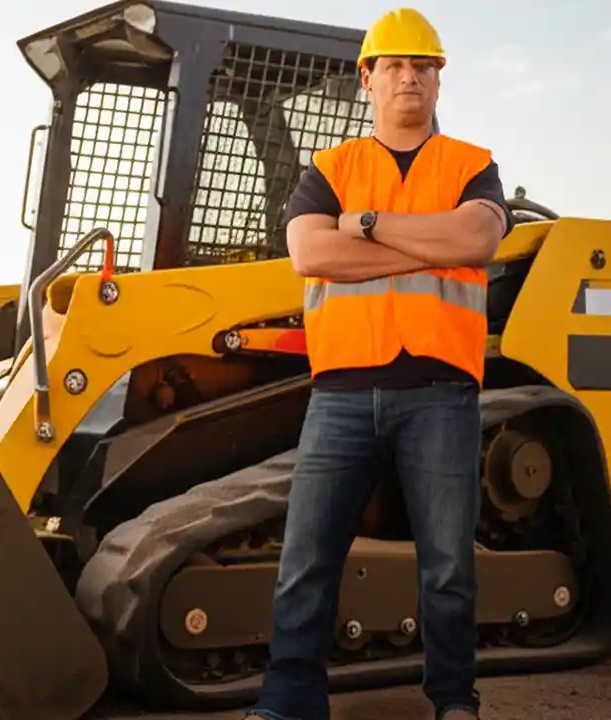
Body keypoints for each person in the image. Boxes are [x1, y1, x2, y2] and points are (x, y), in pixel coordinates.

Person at [243, 7, 513, 720]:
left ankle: (454, 701)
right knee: (307, 558)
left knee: (450, 566)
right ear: (367, 78)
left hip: (440, 389)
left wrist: (364, 225)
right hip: (340, 392)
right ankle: (290, 700)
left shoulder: (471, 164)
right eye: (394, 65)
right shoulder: (331, 169)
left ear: (438, 78)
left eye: (422, 66)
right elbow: (310, 253)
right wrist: (431, 243)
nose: (409, 78)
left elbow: (478, 238)